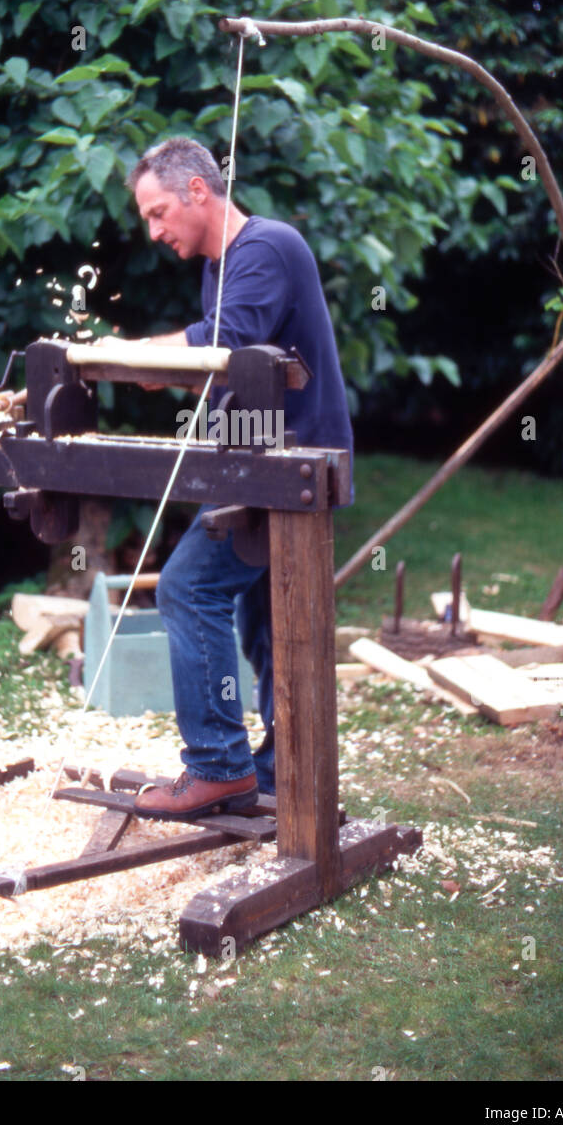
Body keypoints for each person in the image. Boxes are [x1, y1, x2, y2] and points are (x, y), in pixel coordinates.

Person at [121, 137, 354, 820]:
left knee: (190, 589)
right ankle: (282, 773)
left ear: (198, 191)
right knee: (268, 621)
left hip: (288, 469)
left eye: (159, 212)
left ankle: (220, 768)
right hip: (262, 464)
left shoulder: (266, 247)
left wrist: (129, 356)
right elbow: (225, 360)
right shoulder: (223, 266)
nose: (155, 231)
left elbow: (225, 344)